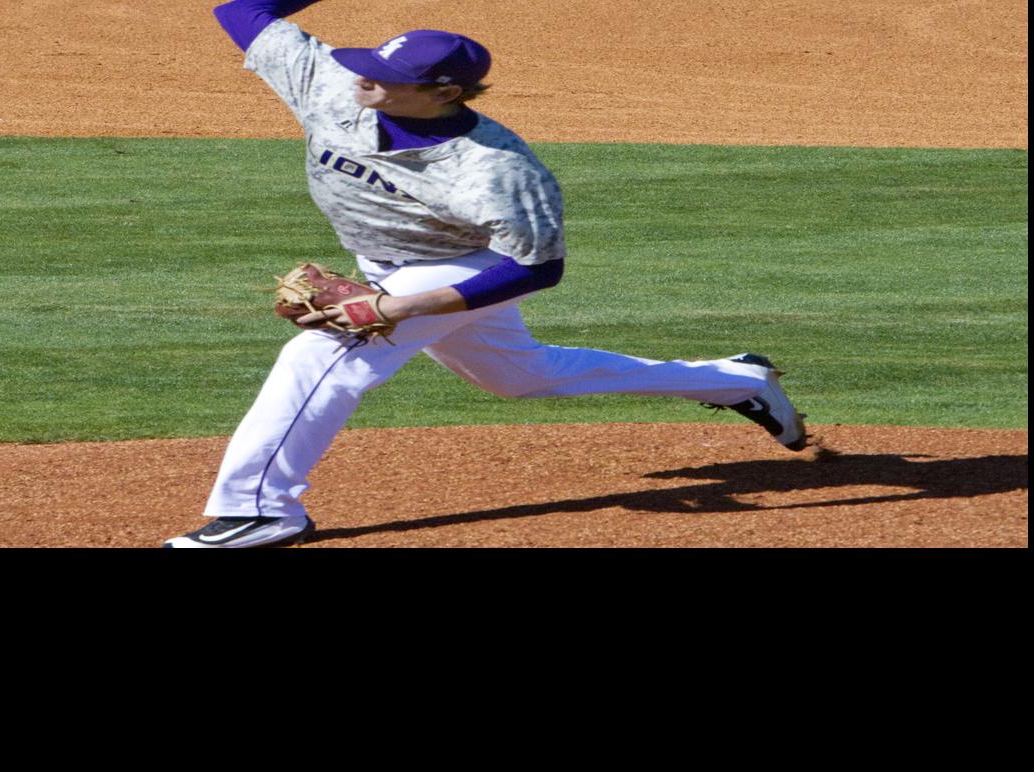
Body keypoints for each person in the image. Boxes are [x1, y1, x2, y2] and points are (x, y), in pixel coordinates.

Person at [164, 0, 809, 548]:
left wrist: (398, 309)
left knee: (322, 355)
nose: (362, 78)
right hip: (384, 262)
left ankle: (260, 509)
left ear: (446, 92)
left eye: (387, 77)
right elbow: (240, 9)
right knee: (520, 377)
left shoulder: (496, 171)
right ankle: (734, 380)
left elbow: (537, 269)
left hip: (462, 264)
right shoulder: (329, 84)